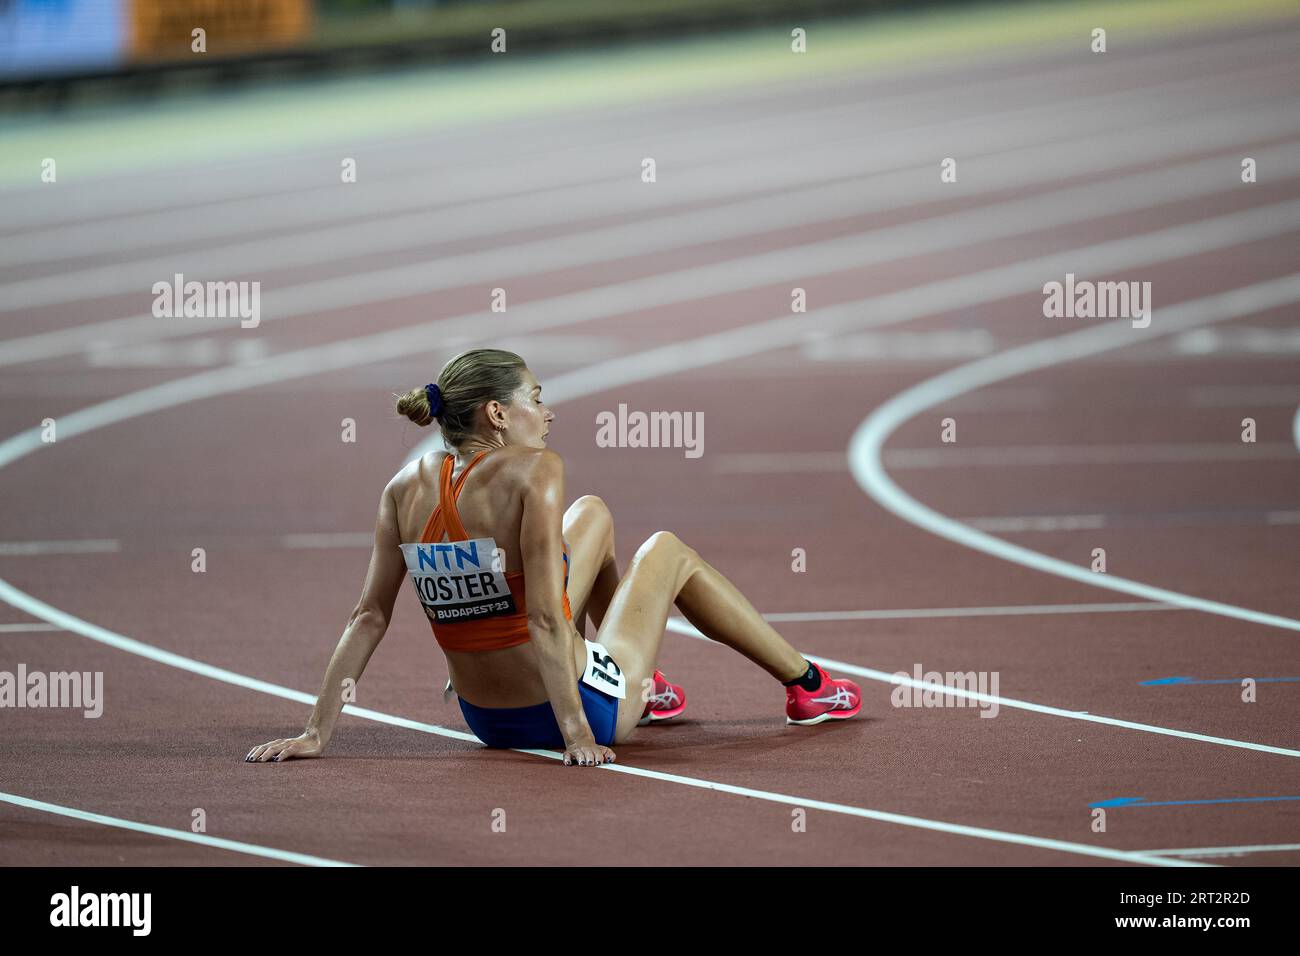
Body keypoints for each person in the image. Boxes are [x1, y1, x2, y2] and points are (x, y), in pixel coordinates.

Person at [246, 349, 860, 768]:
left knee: (592, 513)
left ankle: (646, 684)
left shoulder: (402, 487)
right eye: (535, 400)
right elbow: (544, 616)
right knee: (667, 552)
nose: (547, 413)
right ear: (497, 413)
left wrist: (316, 732)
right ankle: (807, 686)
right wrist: (577, 734)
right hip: (572, 711)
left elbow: (367, 617)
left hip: (484, 719)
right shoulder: (537, 472)